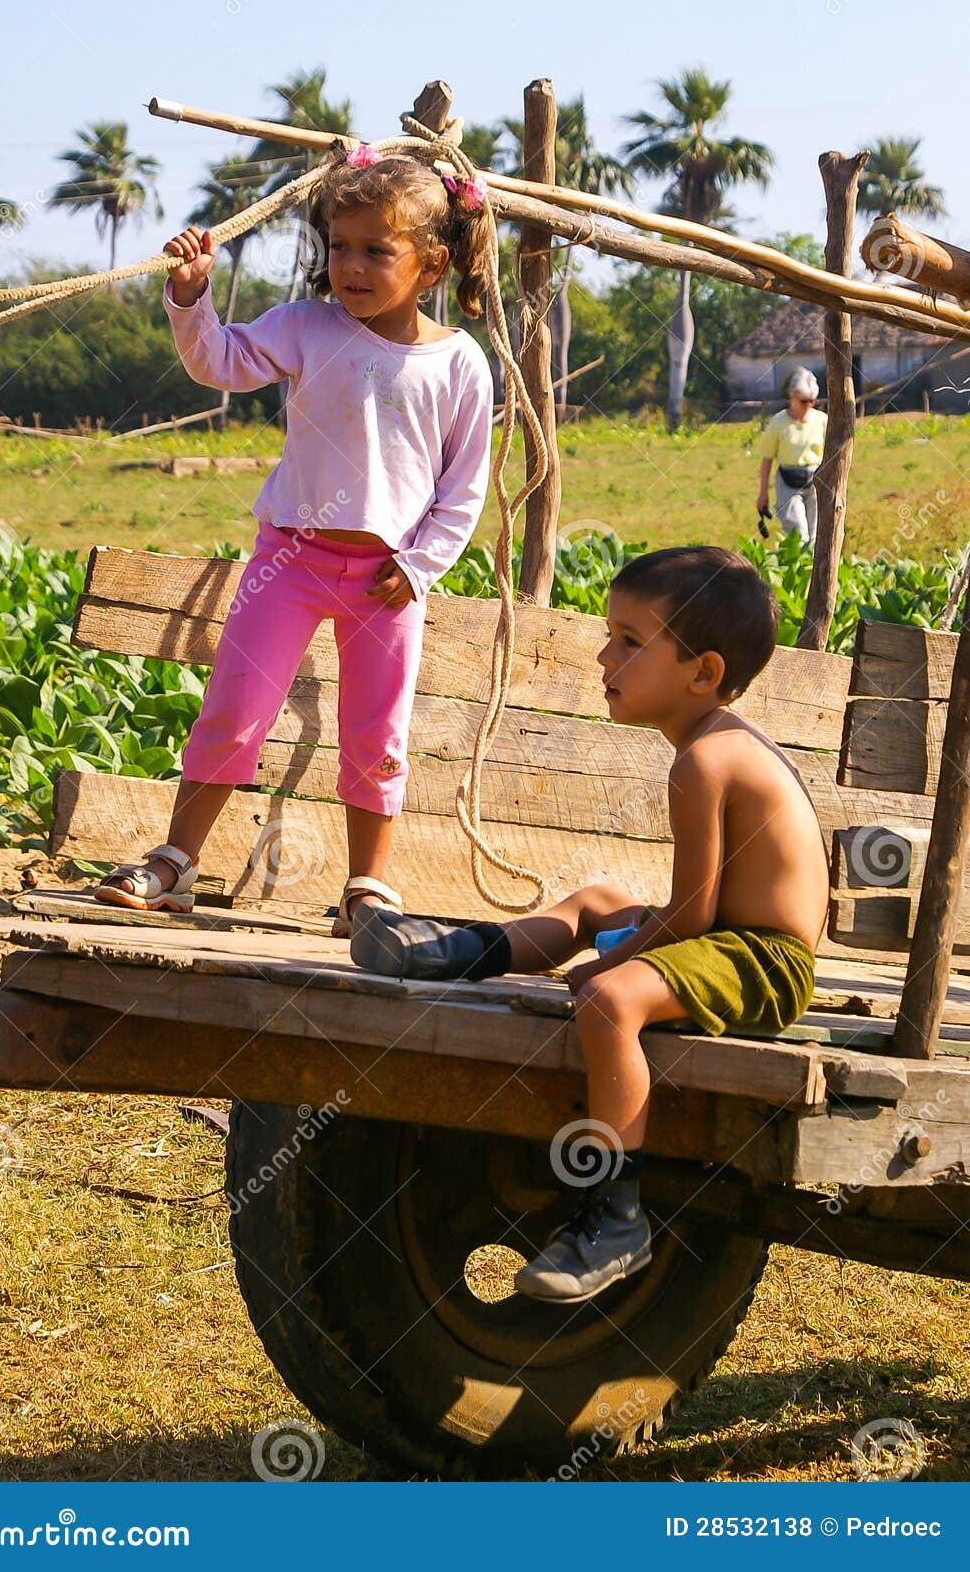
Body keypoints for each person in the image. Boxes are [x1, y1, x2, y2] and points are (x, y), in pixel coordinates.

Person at [351, 546, 830, 1302]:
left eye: (631, 641)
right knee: (595, 899)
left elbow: (690, 919)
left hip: (766, 961)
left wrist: (608, 971)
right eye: (611, 635)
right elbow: (690, 919)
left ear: (702, 672)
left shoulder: (705, 763)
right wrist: (617, 945)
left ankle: (614, 1217)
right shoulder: (710, 745)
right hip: (729, 938)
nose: (605, 655)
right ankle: (445, 952)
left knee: (611, 1005)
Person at [95, 144, 495, 934]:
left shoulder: (459, 364)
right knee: (235, 710)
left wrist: (419, 568)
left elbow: (464, 488)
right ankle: (176, 860)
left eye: (376, 250)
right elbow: (219, 360)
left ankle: (366, 890)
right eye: (338, 246)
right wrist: (190, 296)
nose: (350, 265)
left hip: (388, 579)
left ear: (432, 264)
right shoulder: (306, 327)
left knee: (377, 733)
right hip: (288, 559)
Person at [756, 367, 826, 545]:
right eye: (804, 401)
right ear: (792, 398)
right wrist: (763, 493)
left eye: (812, 400)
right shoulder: (778, 422)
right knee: (798, 533)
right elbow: (767, 459)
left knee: (817, 534)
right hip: (788, 482)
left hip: (817, 480)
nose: (808, 405)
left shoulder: (822, 420)